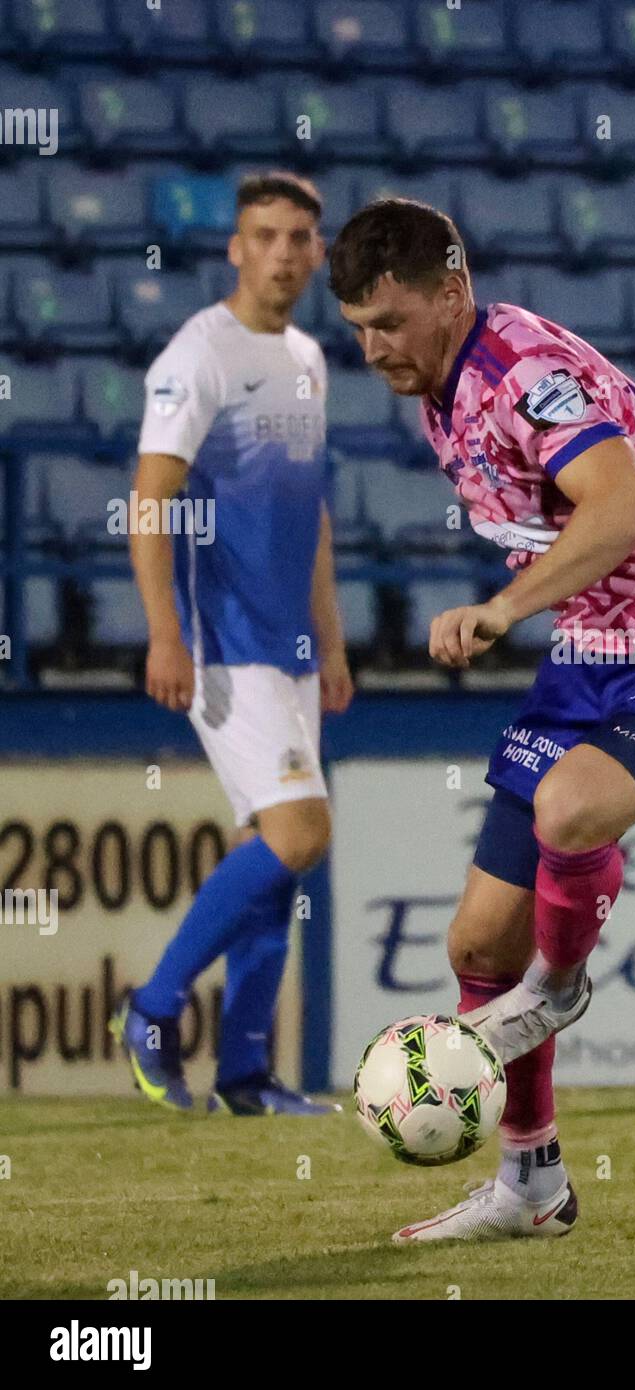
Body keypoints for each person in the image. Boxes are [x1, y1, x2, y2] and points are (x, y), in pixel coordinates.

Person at [329, 197, 635, 1241]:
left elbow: (623, 506)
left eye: (390, 322)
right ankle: (532, 1184)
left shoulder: (522, 371)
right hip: (594, 654)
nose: (373, 348)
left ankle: (559, 984)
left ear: (451, 292)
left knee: (573, 806)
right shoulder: (438, 390)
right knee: (478, 935)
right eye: (358, 328)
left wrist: (502, 608)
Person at [112, 172, 353, 1116]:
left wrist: (330, 642)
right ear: (234, 248)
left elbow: (313, 514)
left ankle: (246, 1075)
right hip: (224, 641)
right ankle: (154, 1004)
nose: (285, 252)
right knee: (302, 832)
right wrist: (165, 632)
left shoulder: (305, 356)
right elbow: (149, 500)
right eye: (266, 235)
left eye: (300, 236)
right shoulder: (197, 355)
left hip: (289, 647)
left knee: (276, 848)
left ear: (318, 250)